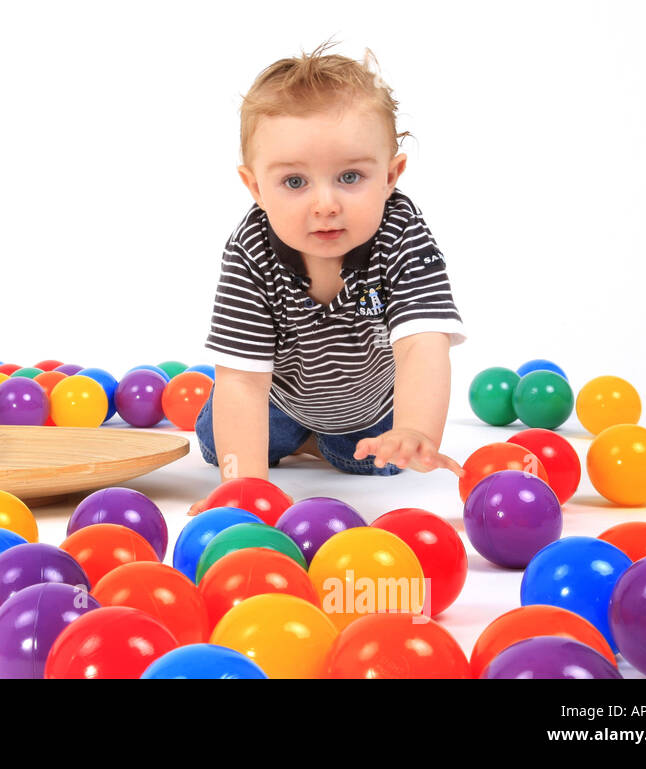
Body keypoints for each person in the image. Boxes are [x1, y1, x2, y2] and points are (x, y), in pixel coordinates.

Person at [191, 39, 466, 514]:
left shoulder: (401, 232)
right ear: (255, 187)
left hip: (368, 409)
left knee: (373, 460)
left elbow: (422, 342)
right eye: (294, 182)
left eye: (350, 177)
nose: (325, 205)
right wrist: (245, 490)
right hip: (280, 400)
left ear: (390, 175)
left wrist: (416, 430)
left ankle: (324, 444)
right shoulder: (250, 248)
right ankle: (300, 438)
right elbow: (242, 383)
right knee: (217, 443)